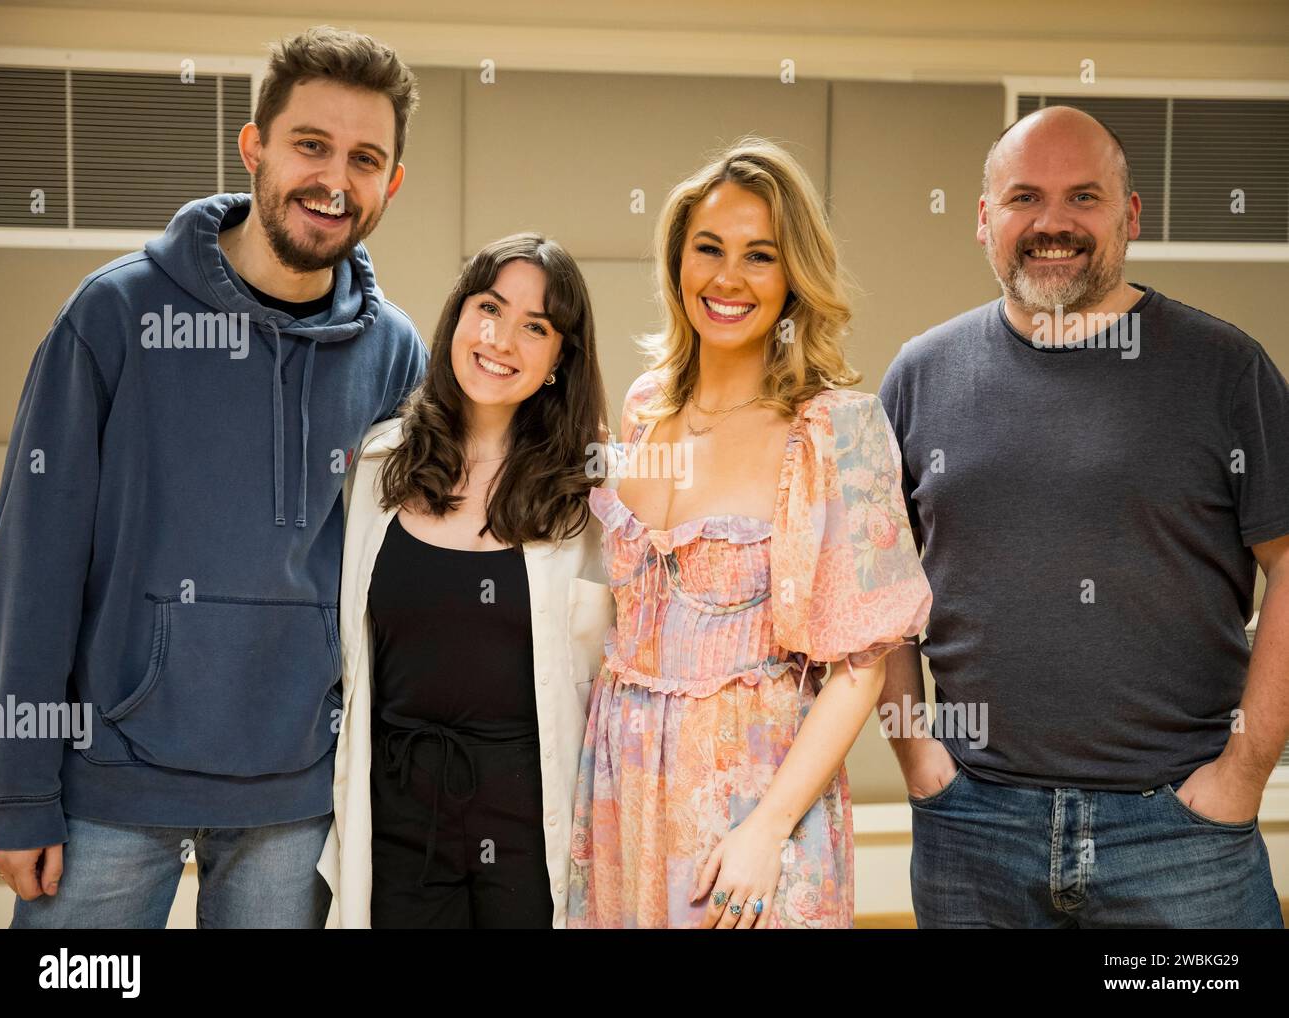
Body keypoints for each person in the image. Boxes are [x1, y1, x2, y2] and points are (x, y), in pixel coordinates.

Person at [0, 26, 427, 928]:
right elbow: (33, 570)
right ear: (254, 145)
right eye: (311, 145)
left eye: (364, 158)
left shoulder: (395, 355)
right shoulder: (113, 315)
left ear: (391, 182)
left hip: (296, 799)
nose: (334, 180)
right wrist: (15, 790)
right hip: (108, 787)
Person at [879, 105, 1288, 928]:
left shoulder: (1225, 369)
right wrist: (917, 756)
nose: (1052, 223)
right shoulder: (919, 376)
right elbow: (878, 583)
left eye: (1084, 197)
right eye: (1025, 197)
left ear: (1130, 215)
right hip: (973, 830)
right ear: (985, 218)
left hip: (1180, 835)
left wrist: (1244, 774)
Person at [567, 138, 932, 928]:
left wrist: (767, 828)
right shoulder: (642, 406)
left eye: (759, 256)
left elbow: (863, 667)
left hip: (754, 796)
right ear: (677, 261)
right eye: (709, 248)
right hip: (623, 787)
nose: (727, 277)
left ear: (794, 277)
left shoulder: (841, 429)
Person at [317, 233, 615, 928]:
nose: (501, 339)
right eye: (489, 308)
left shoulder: (593, 491)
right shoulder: (377, 465)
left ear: (557, 362)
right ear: (457, 316)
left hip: (528, 819)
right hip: (396, 818)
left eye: (535, 327)